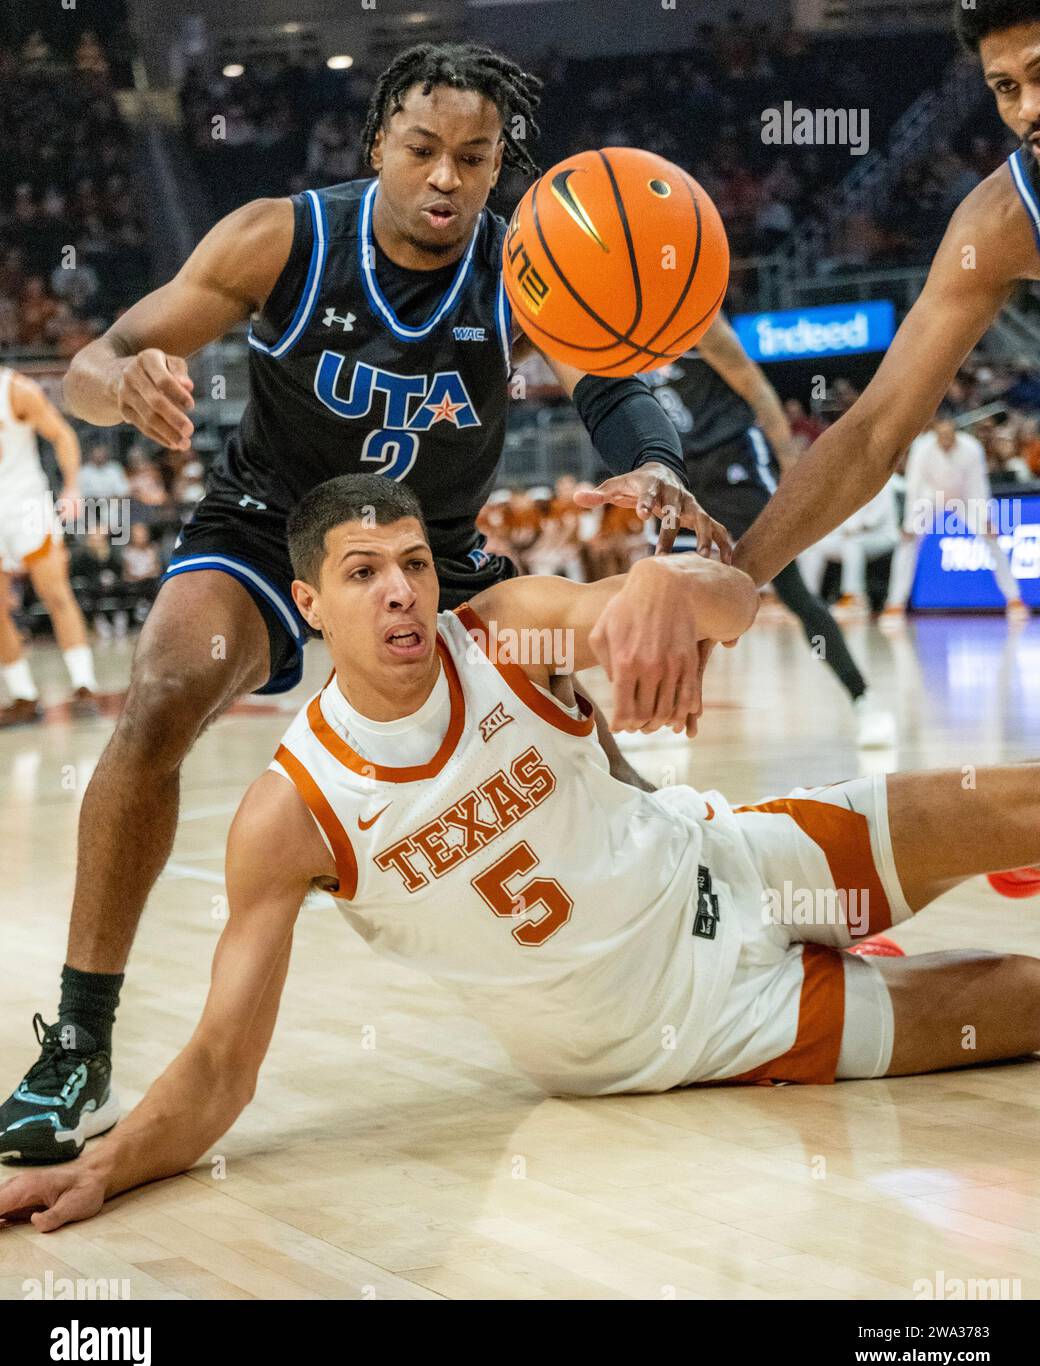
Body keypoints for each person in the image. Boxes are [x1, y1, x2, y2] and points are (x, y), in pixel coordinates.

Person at [0, 41, 723, 1163]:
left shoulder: (520, 263)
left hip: (430, 548)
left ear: (497, 168)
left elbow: (611, 385)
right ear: (378, 140)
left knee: (575, 726)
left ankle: (703, 891)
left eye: (473, 158)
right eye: (423, 148)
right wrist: (120, 383)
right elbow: (105, 352)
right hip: (270, 523)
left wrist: (656, 463)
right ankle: (80, 1039)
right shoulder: (283, 237)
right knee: (163, 694)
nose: (446, 177)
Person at [4, 473, 1040, 1220]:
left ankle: (883, 911)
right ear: (308, 605)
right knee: (1024, 998)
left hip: (730, 863)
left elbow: (732, 607)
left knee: (1017, 801)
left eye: (414, 563)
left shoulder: (506, 635)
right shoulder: (296, 813)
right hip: (693, 1030)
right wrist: (107, 1168)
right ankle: (867, 959)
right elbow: (223, 1066)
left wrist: (671, 583)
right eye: (363, 573)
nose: (401, 590)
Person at [730, 0, 1040, 896]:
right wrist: (740, 577)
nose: (1026, 109)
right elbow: (871, 433)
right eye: (1005, 88)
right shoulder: (1001, 220)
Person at [640, 312, 896, 747]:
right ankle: (663, 717)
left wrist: (789, 458)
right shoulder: (617, 336)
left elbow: (753, 384)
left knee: (793, 591)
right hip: (677, 470)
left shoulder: (694, 318)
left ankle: (863, 699)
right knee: (660, 595)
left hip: (733, 458)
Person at [0, 366, 99, 726]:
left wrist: (72, 487)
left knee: (55, 594)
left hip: (26, 506)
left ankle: (84, 685)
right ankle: (23, 696)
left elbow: (62, 434)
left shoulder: (15, 390)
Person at [882, 417, 1027, 622]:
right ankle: (895, 604)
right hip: (931, 496)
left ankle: (1014, 599)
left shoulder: (971, 448)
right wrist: (909, 522)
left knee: (991, 538)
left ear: (956, 433)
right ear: (935, 434)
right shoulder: (922, 448)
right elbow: (914, 485)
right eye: (941, 435)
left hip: (963, 496)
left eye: (949, 435)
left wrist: (985, 519)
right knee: (908, 542)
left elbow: (978, 486)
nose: (945, 439)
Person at [798, 478, 901, 615]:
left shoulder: (881, 481)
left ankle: (853, 598)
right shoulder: (845, 483)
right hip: (847, 538)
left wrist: (849, 529)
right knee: (814, 547)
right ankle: (808, 598)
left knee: (852, 544)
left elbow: (872, 520)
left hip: (882, 537)